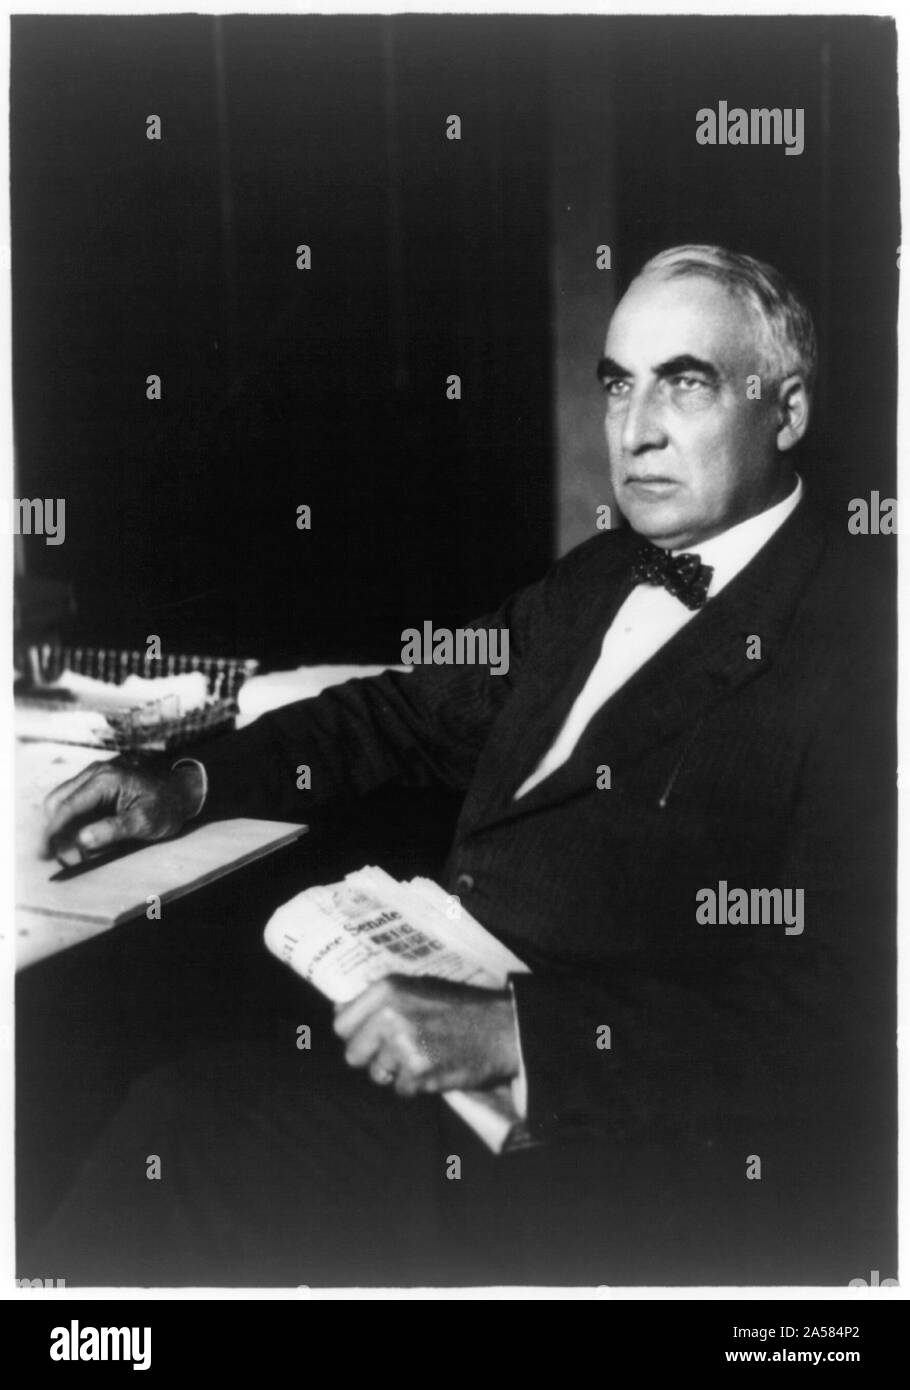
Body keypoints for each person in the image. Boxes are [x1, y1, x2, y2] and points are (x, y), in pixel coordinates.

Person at [24, 245, 896, 1286]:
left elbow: (857, 1018)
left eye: (685, 381)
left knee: (178, 1132)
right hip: (431, 1027)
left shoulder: (867, 642)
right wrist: (190, 784)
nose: (635, 430)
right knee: (142, 1045)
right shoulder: (596, 579)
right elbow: (403, 709)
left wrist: (521, 1037)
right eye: (618, 384)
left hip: (614, 1160)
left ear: (785, 411)